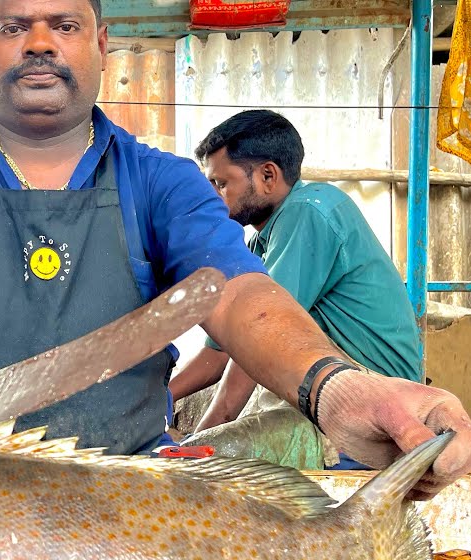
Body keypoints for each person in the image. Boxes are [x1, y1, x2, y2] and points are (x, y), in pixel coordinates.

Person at [0, 0, 471, 498]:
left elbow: (238, 294)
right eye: (13, 26)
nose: (39, 43)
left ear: (101, 41)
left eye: (62, 25)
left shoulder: (163, 181)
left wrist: (338, 388)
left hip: (127, 503)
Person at [170, 110, 424, 440]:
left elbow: (260, 336)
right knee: (190, 408)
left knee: (220, 448)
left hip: (376, 397)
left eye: (221, 183)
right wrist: (166, 394)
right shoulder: (259, 240)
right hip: (332, 385)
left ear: (268, 176)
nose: (213, 196)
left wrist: (200, 442)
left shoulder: (308, 213)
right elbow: (221, 349)